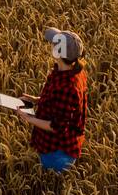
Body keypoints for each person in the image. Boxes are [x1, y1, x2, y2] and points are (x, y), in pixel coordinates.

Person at [13, 27, 89, 173]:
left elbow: (57, 126)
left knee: (50, 184)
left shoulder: (69, 87)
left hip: (57, 153)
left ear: (59, 53)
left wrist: (28, 118)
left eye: (54, 44)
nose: (50, 45)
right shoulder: (67, 72)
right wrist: (36, 100)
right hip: (52, 146)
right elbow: (59, 102)